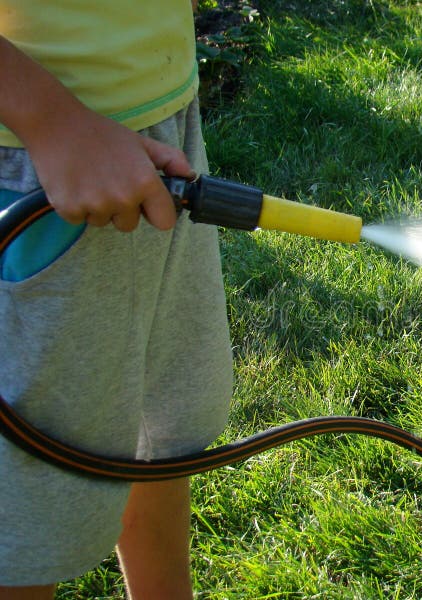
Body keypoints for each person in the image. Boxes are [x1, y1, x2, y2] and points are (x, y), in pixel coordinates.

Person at [0, 1, 233, 598]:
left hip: (156, 127)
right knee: (22, 498)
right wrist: (51, 121)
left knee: (154, 424)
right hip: (43, 161)